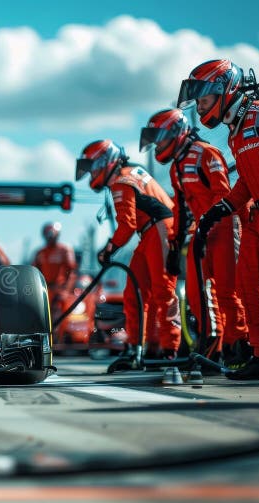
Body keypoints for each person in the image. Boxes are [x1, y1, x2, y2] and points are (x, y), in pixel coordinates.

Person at [181, 59, 259, 380]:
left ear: (227, 89)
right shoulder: (236, 133)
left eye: (204, 100)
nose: (200, 108)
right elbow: (247, 183)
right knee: (248, 283)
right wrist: (221, 208)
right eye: (197, 102)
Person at [140, 108, 249, 369]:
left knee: (228, 292)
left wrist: (207, 225)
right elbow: (180, 206)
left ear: (176, 132)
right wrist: (176, 242)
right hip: (201, 233)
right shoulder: (178, 165)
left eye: (161, 138)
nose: (158, 144)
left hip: (223, 226)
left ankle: (241, 349)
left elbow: (223, 194)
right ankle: (212, 350)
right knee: (200, 296)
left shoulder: (206, 153)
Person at [76, 140, 181, 368]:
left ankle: (171, 350)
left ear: (105, 162)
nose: (91, 173)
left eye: (92, 167)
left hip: (160, 229)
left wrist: (108, 249)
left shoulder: (121, 180)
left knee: (163, 291)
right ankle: (140, 349)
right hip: (152, 232)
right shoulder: (130, 172)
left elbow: (127, 225)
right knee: (135, 292)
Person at [32, 221, 77, 319]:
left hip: (60, 290)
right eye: (48, 235)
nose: (51, 238)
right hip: (45, 291)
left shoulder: (65, 250)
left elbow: (72, 272)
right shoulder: (40, 252)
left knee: (61, 317)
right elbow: (33, 273)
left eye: (53, 235)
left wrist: (66, 290)